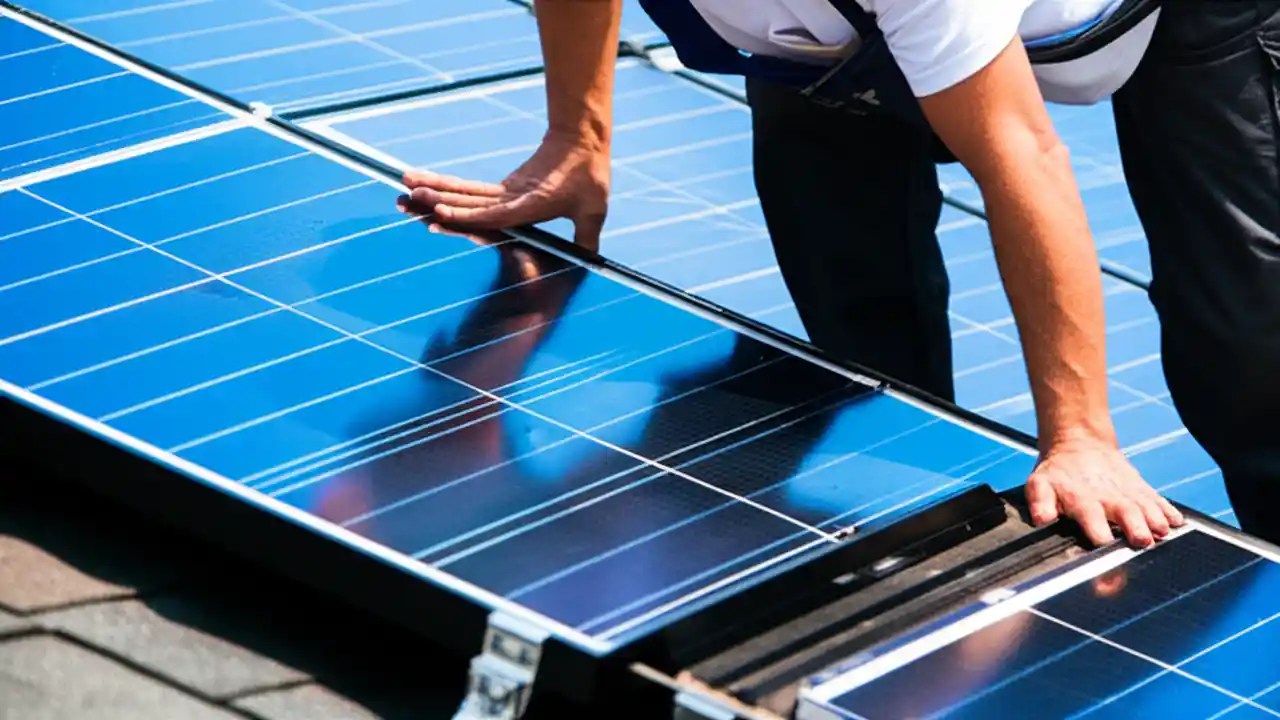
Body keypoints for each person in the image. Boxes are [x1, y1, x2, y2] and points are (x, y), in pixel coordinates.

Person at [394, 0, 1280, 549]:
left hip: (1175, 19)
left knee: (1244, 334)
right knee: (854, 315)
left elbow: (1023, 159)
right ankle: (914, 533)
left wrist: (1081, 437)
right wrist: (576, 141)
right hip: (844, 36)